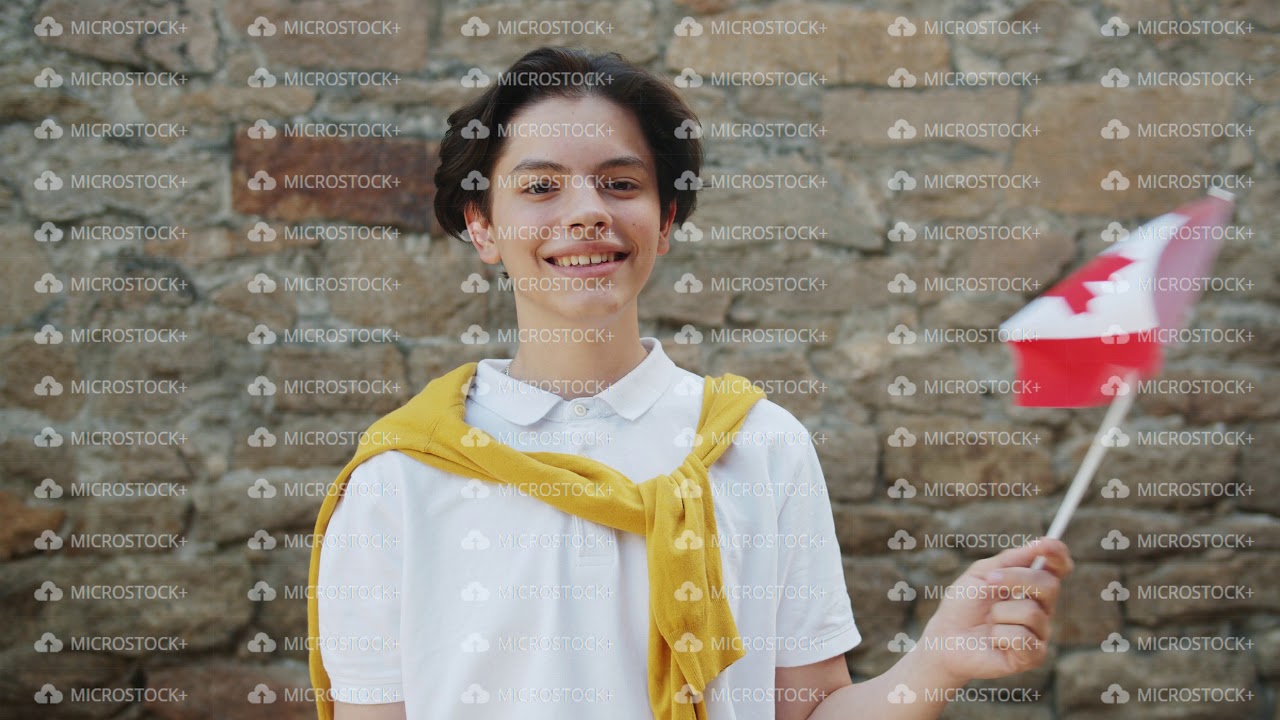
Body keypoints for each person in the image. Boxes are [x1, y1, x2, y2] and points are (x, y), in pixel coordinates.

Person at [313, 46, 1073, 720]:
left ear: (666, 218)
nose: (586, 213)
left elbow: (807, 713)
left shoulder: (760, 447)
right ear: (481, 224)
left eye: (619, 183)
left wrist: (934, 664)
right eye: (540, 188)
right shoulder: (401, 477)